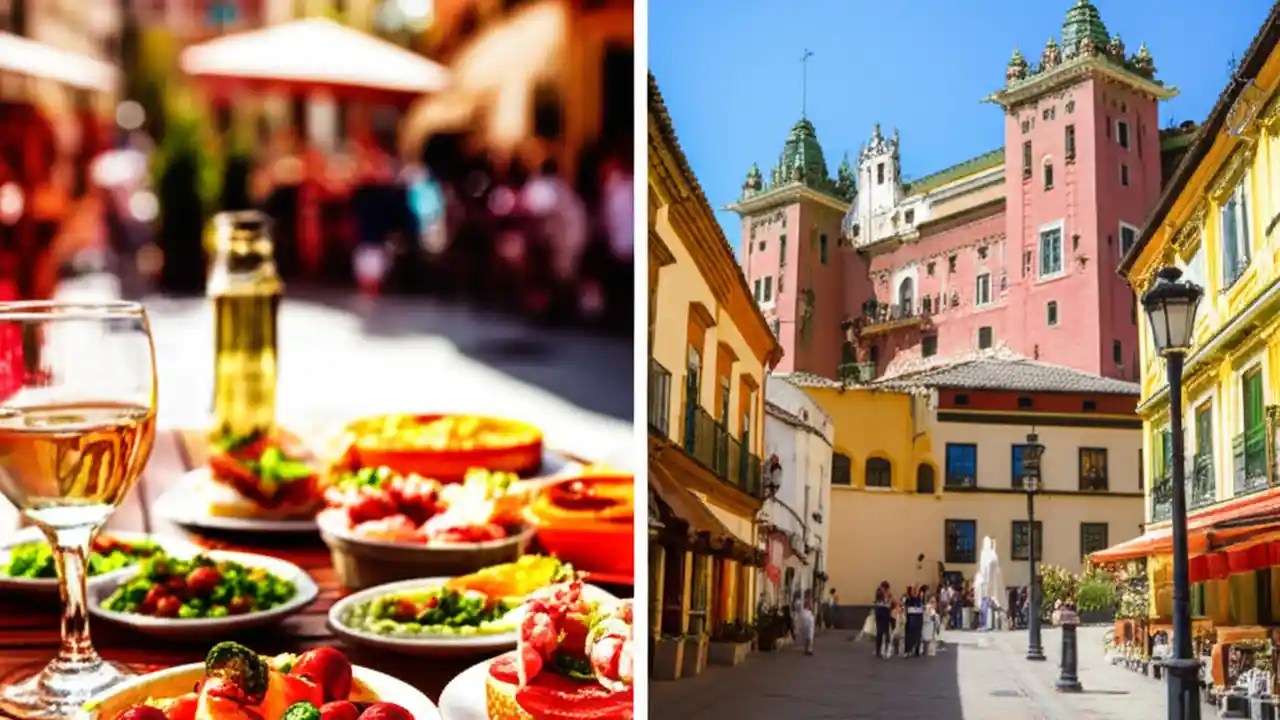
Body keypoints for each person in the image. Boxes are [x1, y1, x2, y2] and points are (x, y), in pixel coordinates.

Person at [873, 581, 892, 659]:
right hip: (880, 614)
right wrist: (886, 596)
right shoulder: (879, 593)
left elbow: (889, 603)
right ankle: (878, 650)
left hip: (885, 614)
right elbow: (880, 602)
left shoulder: (888, 594)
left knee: (886, 632)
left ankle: (886, 649)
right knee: (880, 632)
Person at [905, 585, 924, 657]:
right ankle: (909, 649)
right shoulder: (909, 598)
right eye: (914, 590)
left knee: (918, 634)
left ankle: (916, 649)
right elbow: (906, 607)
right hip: (912, 617)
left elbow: (921, 607)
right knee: (911, 634)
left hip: (918, 617)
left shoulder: (919, 599)